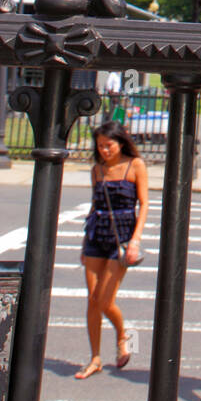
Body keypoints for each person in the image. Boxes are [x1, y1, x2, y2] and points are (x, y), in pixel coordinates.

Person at [74, 121, 148, 380]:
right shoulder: (96, 170)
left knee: (105, 300)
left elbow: (144, 204)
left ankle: (122, 335)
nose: (105, 150)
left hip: (124, 235)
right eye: (100, 146)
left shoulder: (134, 165)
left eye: (109, 145)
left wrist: (136, 240)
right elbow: (94, 205)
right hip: (97, 232)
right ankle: (95, 357)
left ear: (121, 142)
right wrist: (85, 244)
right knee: (92, 299)